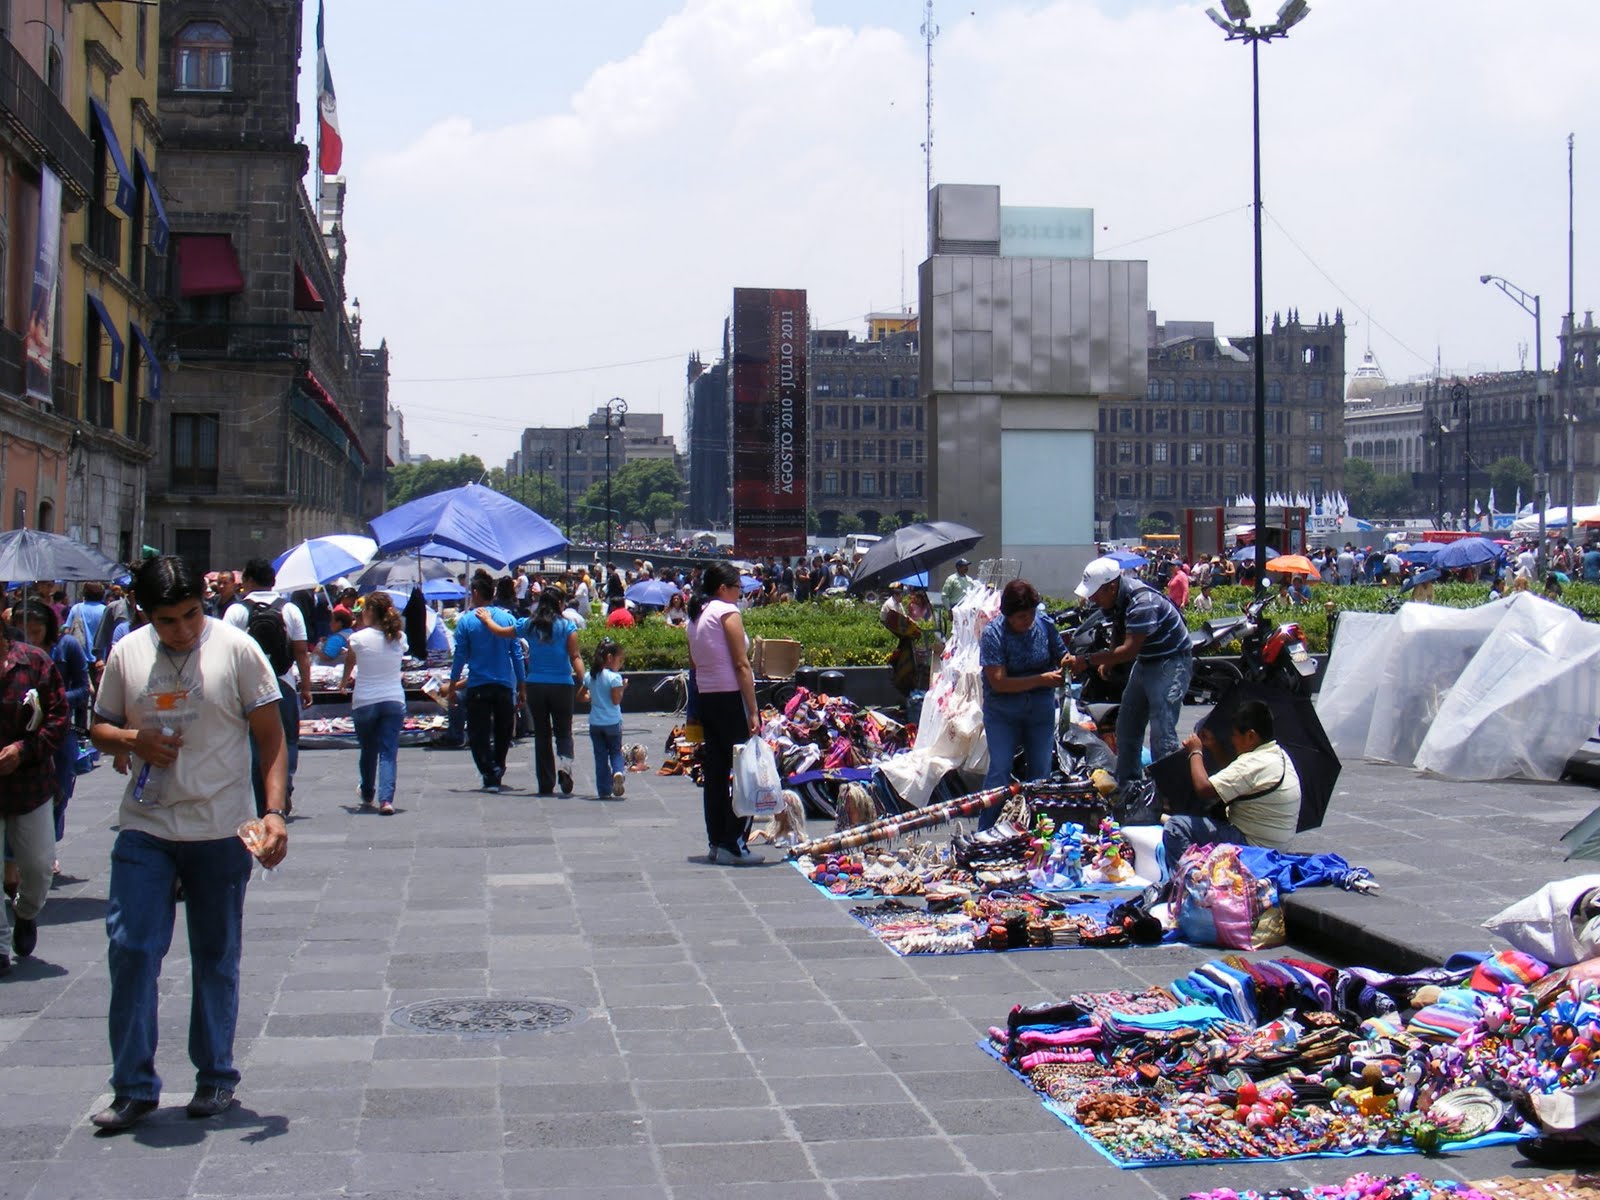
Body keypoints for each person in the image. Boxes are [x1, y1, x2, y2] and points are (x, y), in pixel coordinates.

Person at [87, 555, 288, 1131]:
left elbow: (271, 739)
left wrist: (273, 812)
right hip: (146, 826)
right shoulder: (128, 653)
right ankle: (133, 1086)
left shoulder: (237, 650)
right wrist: (131, 738)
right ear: (145, 614)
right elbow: (98, 727)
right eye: (168, 620)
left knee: (215, 954)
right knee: (130, 949)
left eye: (192, 615)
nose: (183, 630)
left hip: (221, 827)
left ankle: (216, 1076)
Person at [1065, 555, 1194, 790]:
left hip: (1170, 661)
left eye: (1096, 592)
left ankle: (1168, 791)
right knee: (1127, 727)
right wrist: (1109, 660)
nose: (1092, 597)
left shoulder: (1143, 601)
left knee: (1162, 733)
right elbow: (1118, 628)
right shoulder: (1114, 599)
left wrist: (1088, 660)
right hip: (1146, 660)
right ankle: (1129, 787)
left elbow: (1129, 650)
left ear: (1111, 586)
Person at [0, 614, 69, 975]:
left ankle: (25, 912)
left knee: (38, 869)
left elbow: (59, 717)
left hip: (29, 786)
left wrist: (23, 751)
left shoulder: (34, 662)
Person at [1164, 700, 1301, 875]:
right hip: (1275, 845)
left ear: (1251, 736)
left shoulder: (1254, 762)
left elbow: (1204, 789)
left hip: (1253, 846)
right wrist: (1214, 746)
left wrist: (1195, 751)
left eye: (1235, 735)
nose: (1232, 740)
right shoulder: (1277, 754)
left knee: (1176, 827)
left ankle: (1191, 882)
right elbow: (1238, 776)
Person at [225, 559, 313, 818]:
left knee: (255, 744)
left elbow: (228, 653)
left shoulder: (236, 611)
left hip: (248, 686)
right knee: (289, 739)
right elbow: (301, 652)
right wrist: (305, 687)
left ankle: (263, 800)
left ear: (249, 581)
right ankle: (284, 786)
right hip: (284, 683)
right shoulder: (291, 610)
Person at [978, 578, 1067, 830]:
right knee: (1000, 770)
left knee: (1040, 772)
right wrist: (1042, 679)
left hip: (1039, 710)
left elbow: (1061, 653)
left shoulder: (1045, 625)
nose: (1026, 621)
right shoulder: (993, 635)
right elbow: (999, 683)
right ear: (1008, 615)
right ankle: (985, 830)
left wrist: (1067, 663)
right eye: (1020, 617)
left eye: (1029, 614)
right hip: (1003, 713)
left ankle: (1040, 830)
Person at [688, 562, 761, 865]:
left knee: (716, 773)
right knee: (744, 772)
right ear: (723, 588)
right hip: (731, 697)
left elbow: (694, 663)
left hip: (707, 697)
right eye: (737, 589)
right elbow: (741, 665)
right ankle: (735, 842)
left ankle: (716, 840)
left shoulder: (695, 616)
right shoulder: (726, 612)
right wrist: (753, 710)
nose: (740, 594)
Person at [482, 587, 582, 796]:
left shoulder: (529, 625)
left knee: (542, 734)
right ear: (559, 605)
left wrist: (486, 619)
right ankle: (565, 767)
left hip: (536, 684)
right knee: (564, 731)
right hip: (562, 684)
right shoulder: (567, 626)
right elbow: (575, 656)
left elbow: (501, 633)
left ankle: (546, 782)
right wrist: (585, 680)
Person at [21, 602, 88, 858]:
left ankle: (49, 846)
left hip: (59, 729)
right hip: (23, 733)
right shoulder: (14, 654)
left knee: (59, 791)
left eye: (36, 631)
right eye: (23, 631)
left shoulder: (67, 647)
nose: (30, 638)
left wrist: (52, 698)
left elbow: (83, 690)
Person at [448, 573, 526, 793]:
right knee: (503, 732)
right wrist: (521, 685)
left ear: (474, 593)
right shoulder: (507, 618)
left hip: (478, 685)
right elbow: (517, 654)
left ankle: (489, 771)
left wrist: (453, 685)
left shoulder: (466, 621)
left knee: (478, 733)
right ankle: (497, 767)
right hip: (503, 684)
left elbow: (459, 657)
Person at [341, 591, 406, 815]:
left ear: (370, 611)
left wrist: (342, 684)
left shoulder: (358, 638)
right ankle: (386, 800)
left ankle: (368, 791)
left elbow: (350, 662)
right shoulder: (398, 636)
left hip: (365, 700)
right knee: (388, 751)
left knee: (368, 749)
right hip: (393, 699)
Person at [588, 638, 628, 800]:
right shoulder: (614, 678)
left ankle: (604, 790)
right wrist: (623, 688)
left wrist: (593, 696)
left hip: (595, 723)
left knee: (600, 756)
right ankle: (618, 771)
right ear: (610, 658)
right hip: (612, 721)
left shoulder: (590, 676)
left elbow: (582, 695)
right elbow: (616, 700)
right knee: (615, 751)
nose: (621, 663)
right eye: (620, 660)